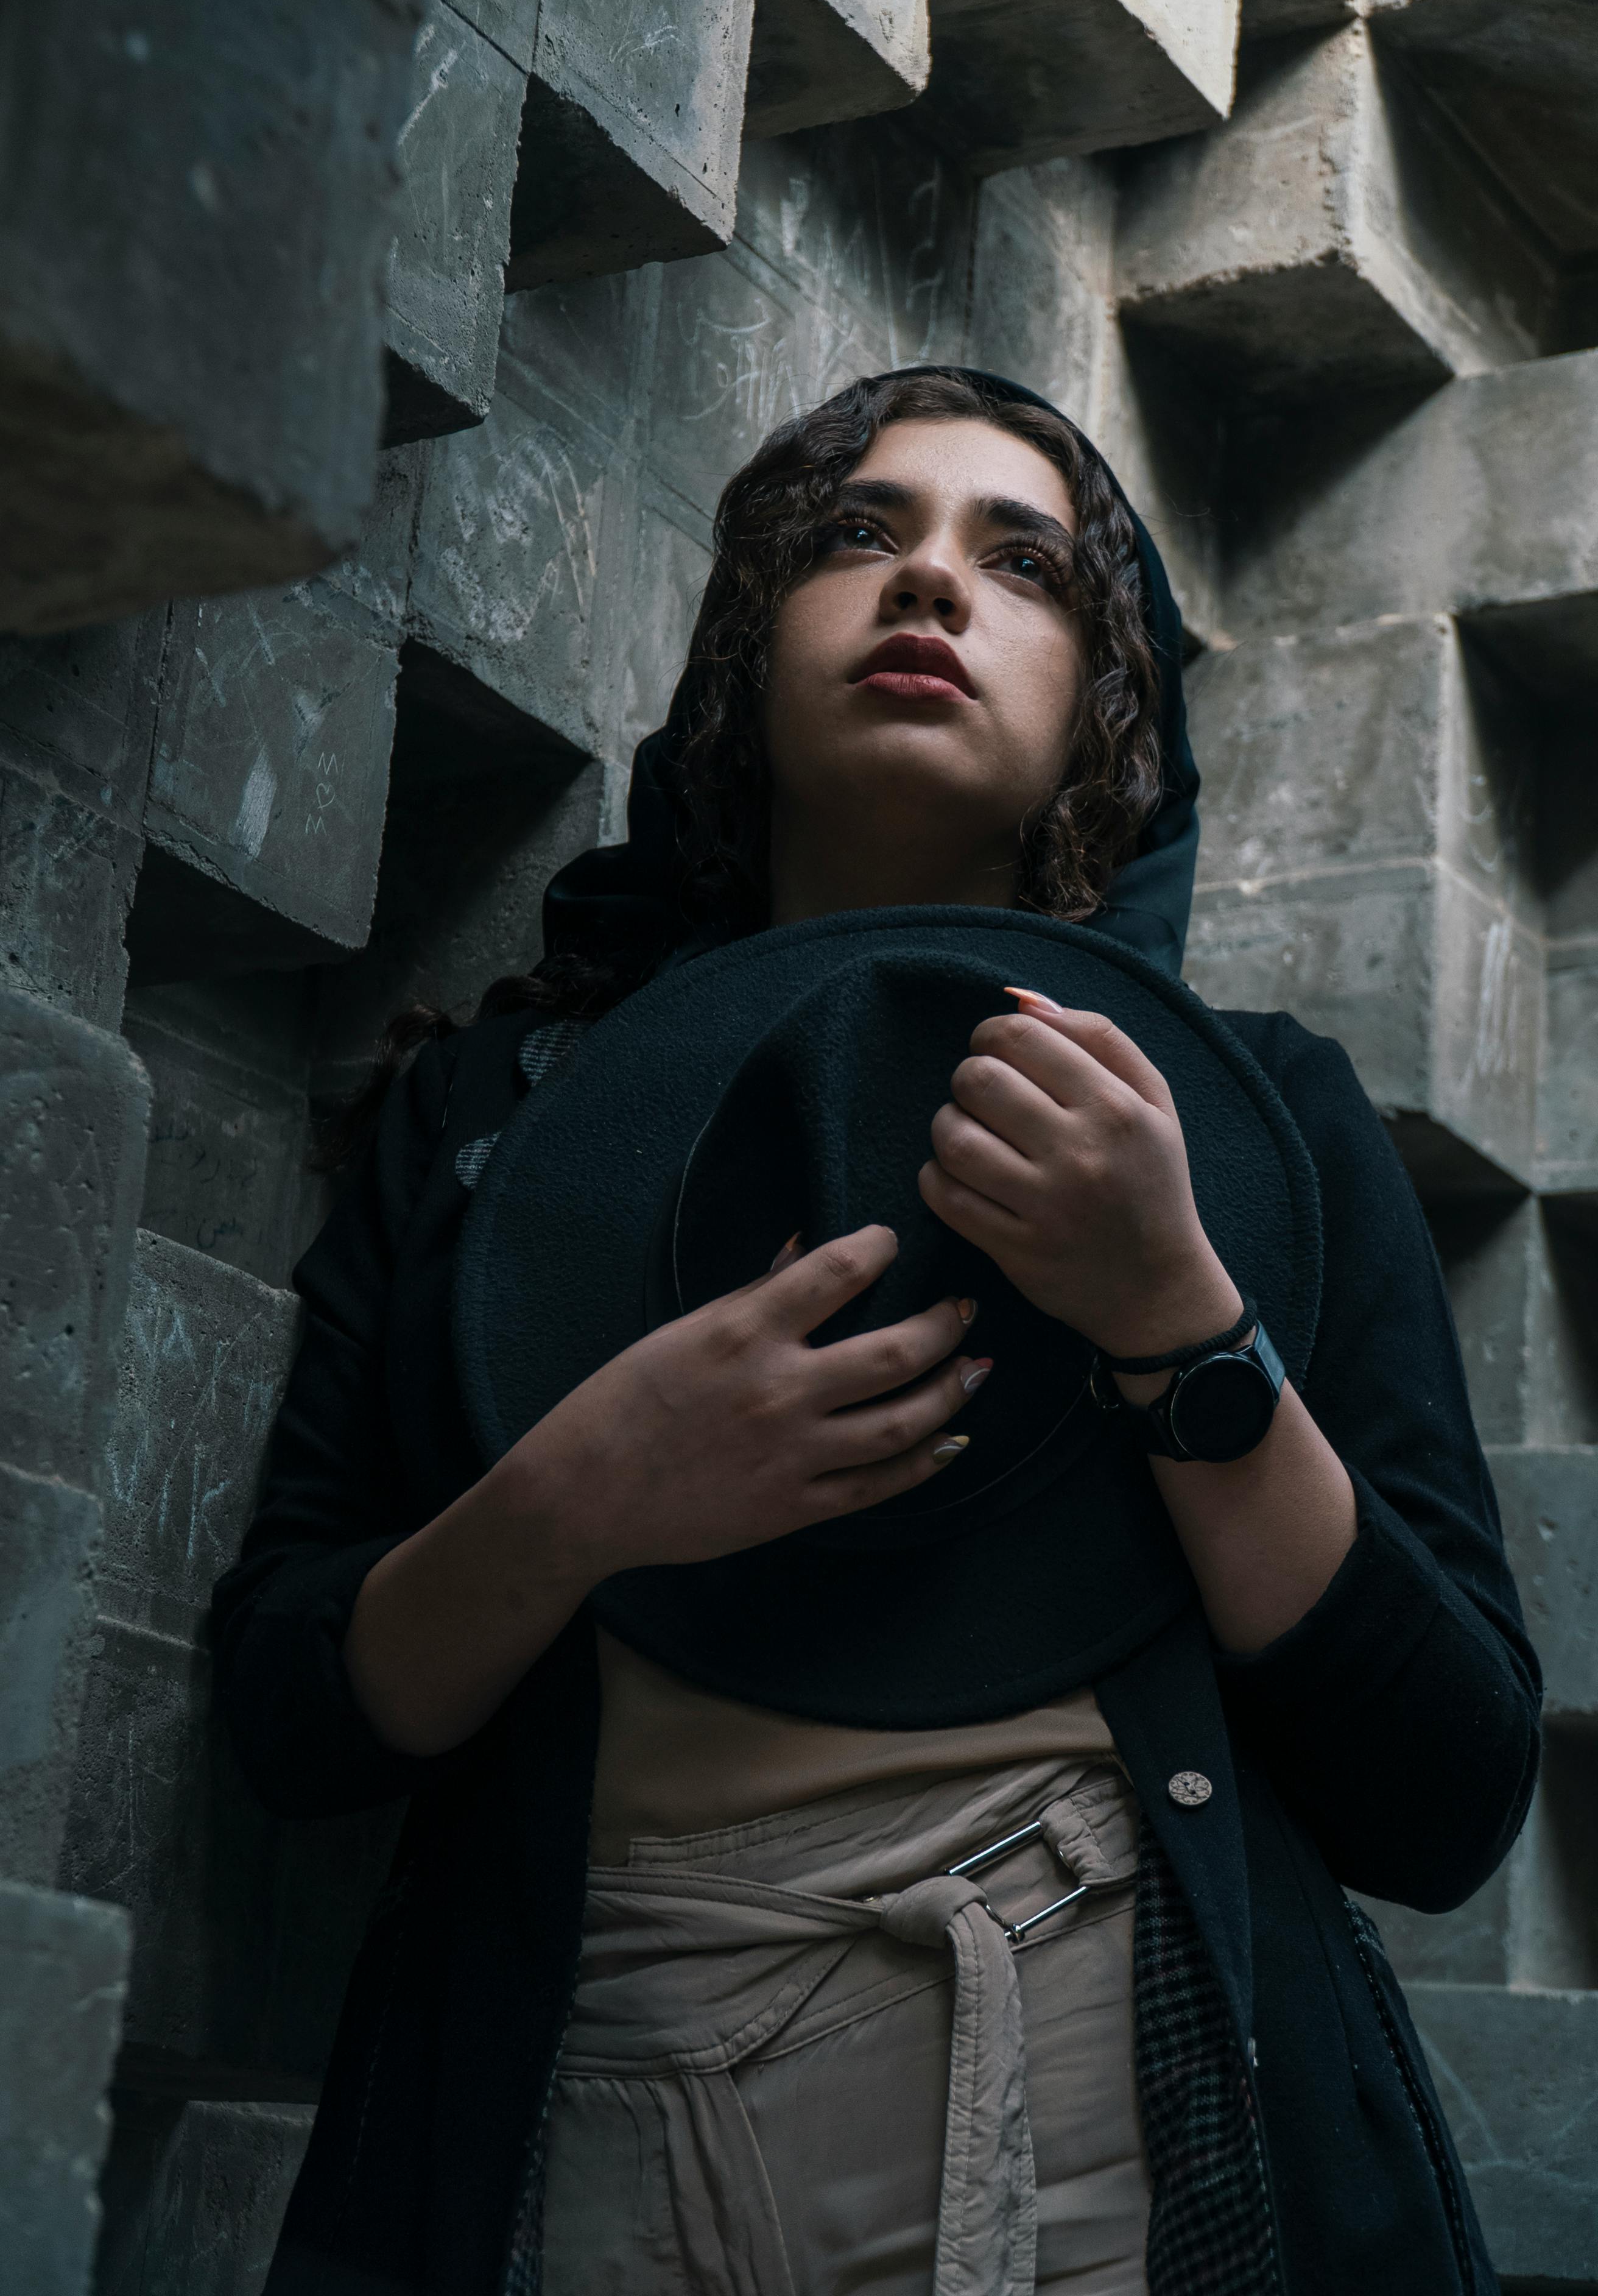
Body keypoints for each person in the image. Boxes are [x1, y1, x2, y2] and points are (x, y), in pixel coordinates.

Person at [213, 367, 1539, 2296]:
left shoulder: (1265, 1125)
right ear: (752, 651)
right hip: (591, 2120)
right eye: (861, 537)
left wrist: (1180, 1318)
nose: (932, 586)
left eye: (1024, 563)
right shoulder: (489, 1120)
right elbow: (292, 1719)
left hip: (1122, 2126)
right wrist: (582, 1491)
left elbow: (1448, 1795)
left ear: (1104, 699)